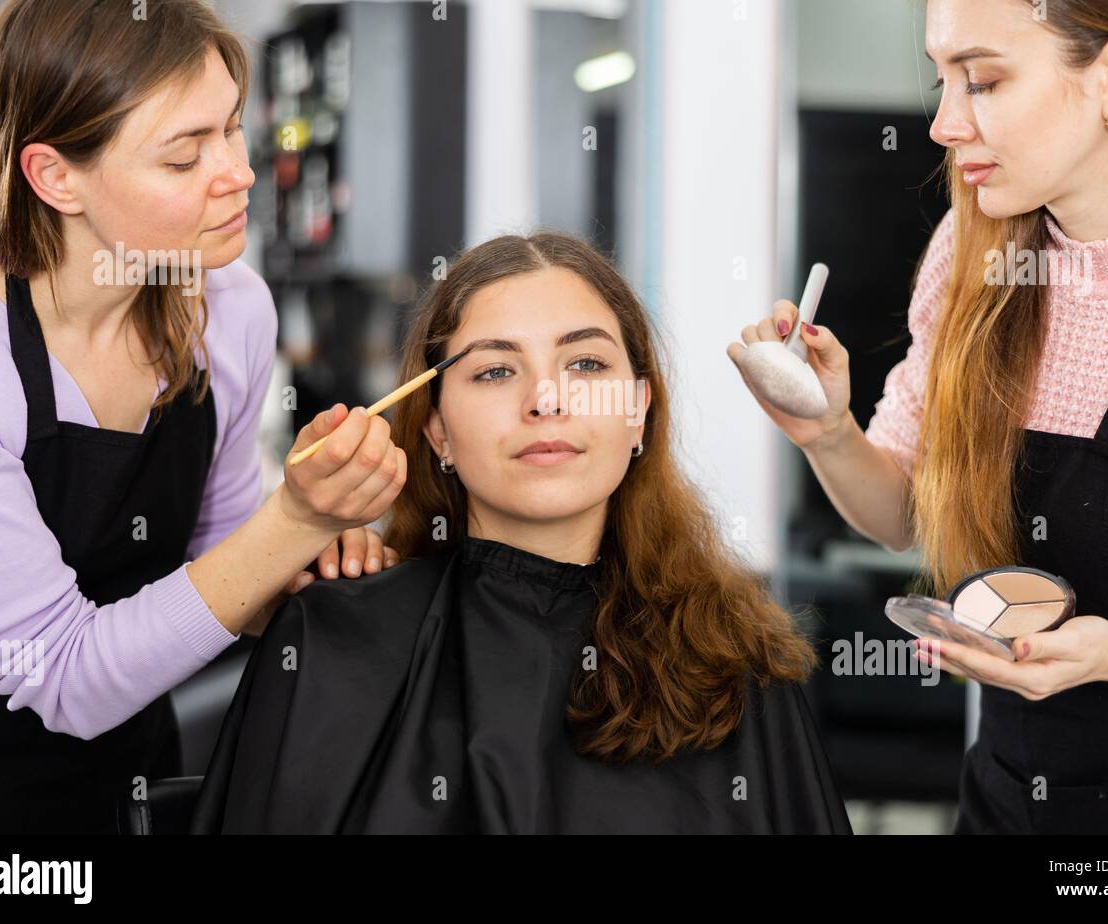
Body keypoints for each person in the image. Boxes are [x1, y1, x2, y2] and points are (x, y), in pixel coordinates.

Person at [732, 0, 1108, 833]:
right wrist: (828, 432)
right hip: (1005, 799)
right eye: (944, 80)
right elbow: (901, 516)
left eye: (987, 79)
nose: (943, 122)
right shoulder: (974, 255)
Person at [190, 232, 853, 834]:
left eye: (586, 365)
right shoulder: (333, 637)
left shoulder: (736, 662)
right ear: (437, 430)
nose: (547, 399)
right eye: (495, 371)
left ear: (639, 412)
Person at [0, 0, 401, 833]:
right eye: (185, 154)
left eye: (233, 128)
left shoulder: (228, 312)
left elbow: (224, 571)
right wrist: (292, 524)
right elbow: (65, 677)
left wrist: (318, 557)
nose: (239, 175)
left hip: (140, 791)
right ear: (54, 176)